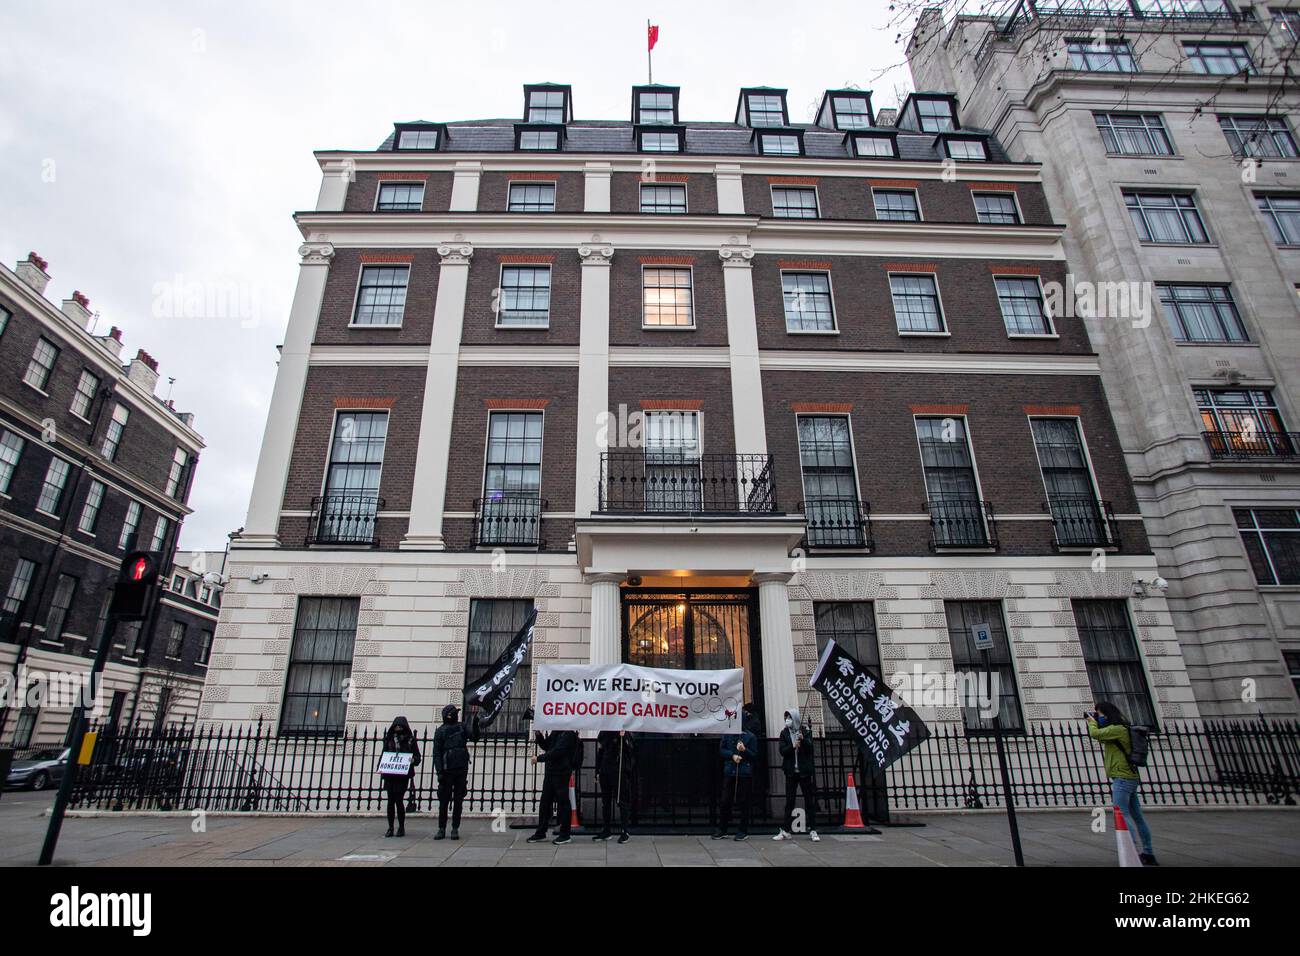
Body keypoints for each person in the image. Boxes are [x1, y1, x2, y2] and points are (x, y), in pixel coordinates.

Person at [1087, 701, 1157, 866]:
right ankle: (1148, 852)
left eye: (1100, 715)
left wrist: (1092, 723)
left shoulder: (1118, 729)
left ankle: (1130, 850)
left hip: (1122, 777)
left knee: (1122, 814)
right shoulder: (1121, 729)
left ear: (1107, 714)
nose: (1099, 717)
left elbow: (1096, 734)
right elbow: (1104, 738)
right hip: (1130, 777)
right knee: (1137, 816)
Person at [774, 707, 819, 842]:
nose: (787, 720)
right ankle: (786, 830)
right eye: (785, 718)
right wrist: (793, 746)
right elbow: (782, 750)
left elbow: (810, 749)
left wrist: (803, 740)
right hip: (791, 772)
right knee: (790, 801)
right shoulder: (784, 733)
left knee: (809, 801)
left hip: (804, 772)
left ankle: (813, 830)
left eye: (789, 718)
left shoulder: (805, 731)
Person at [527, 728, 578, 845]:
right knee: (545, 801)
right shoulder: (556, 732)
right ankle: (541, 832)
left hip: (562, 772)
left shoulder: (568, 734)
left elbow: (558, 752)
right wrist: (539, 735)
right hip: (551, 771)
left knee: (563, 801)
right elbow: (547, 746)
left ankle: (565, 834)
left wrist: (539, 759)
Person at [432, 704, 470, 841]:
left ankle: (455, 827)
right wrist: (439, 771)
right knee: (444, 800)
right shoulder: (441, 731)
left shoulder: (462, 727)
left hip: (461, 768)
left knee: (458, 800)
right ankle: (441, 828)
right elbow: (436, 753)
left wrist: (476, 723)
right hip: (447, 769)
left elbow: (474, 736)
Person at [713, 724, 758, 841]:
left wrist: (745, 750)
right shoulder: (727, 735)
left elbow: (754, 755)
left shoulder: (751, 737)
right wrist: (732, 755)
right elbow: (722, 750)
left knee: (744, 801)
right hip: (730, 771)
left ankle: (743, 830)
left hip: (744, 773)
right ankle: (722, 829)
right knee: (725, 801)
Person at [381, 715, 421, 838]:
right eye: (396, 726)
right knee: (390, 801)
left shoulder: (410, 740)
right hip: (390, 774)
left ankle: (401, 827)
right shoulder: (389, 739)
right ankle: (390, 827)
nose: (398, 728)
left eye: (400, 726)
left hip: (402, 775)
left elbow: (417, 758)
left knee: (399, 801)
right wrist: (381, 768)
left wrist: (412, 759)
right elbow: (384, 754)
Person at [594, 730, 634, 844]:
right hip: (605, 770)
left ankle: (625, 831)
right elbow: (600, 752)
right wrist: (597, 770)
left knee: (622, 800)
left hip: (618, 771)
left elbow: (630, 749)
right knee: (605, 802)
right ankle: (606, 830)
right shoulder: (603, 732)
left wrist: (624, 738)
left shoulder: (623, 732)